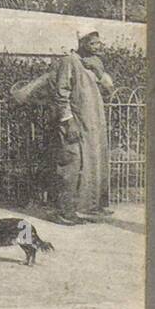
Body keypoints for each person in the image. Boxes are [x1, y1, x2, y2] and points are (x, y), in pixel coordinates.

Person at [48, 30, 114, 224]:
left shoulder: (96, 63)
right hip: (75, 122)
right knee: (72, 163)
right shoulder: (70, 61)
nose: (98, 47)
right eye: (93, 43)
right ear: (82, 43)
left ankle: (89, 208)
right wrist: (68, 121)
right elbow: (62, 94)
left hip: (94, 122)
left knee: (94, 163)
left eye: (99, 43)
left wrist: (100, 72)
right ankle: (64, 212)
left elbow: (109, 90)